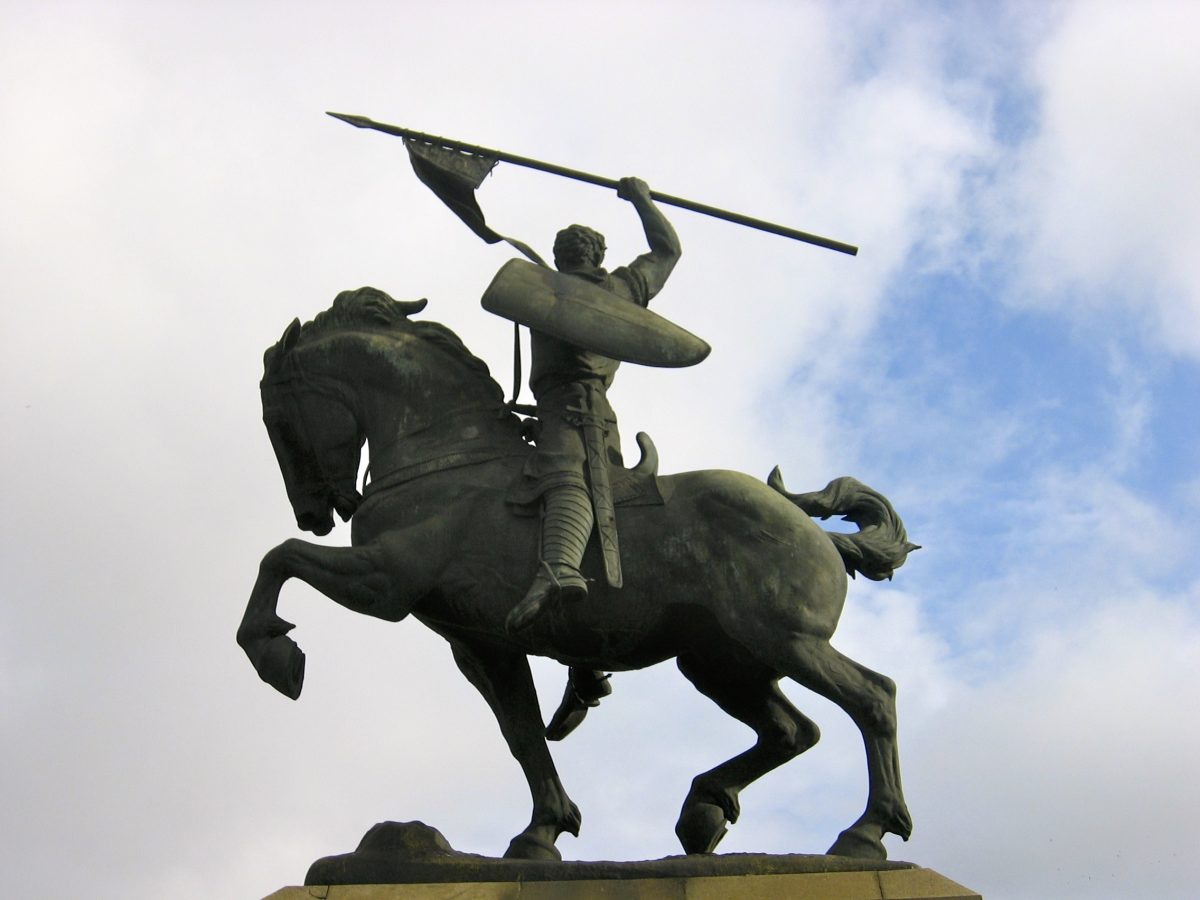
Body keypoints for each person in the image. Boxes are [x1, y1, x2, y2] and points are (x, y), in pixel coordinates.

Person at [503, 176, 681, 738]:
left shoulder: (544, 290)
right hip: (592, 416)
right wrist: (641, 199)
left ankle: (558, 570)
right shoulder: (622, 288)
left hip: (570, 415)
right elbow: (668, 251)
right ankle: (584, 664)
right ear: (597, 256)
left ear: (562, 256)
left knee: (565, 480)